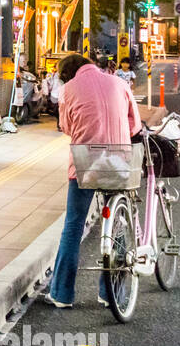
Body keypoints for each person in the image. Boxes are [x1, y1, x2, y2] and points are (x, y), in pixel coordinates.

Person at [39, 52, 142, 309]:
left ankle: (62, 294)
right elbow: (135, 125)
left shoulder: (69, 90)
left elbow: (66, 127)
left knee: (73, 226)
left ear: (68, 75)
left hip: (85, 162)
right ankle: (112, 294)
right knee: (118, 223)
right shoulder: (119, 82)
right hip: (118, 161)